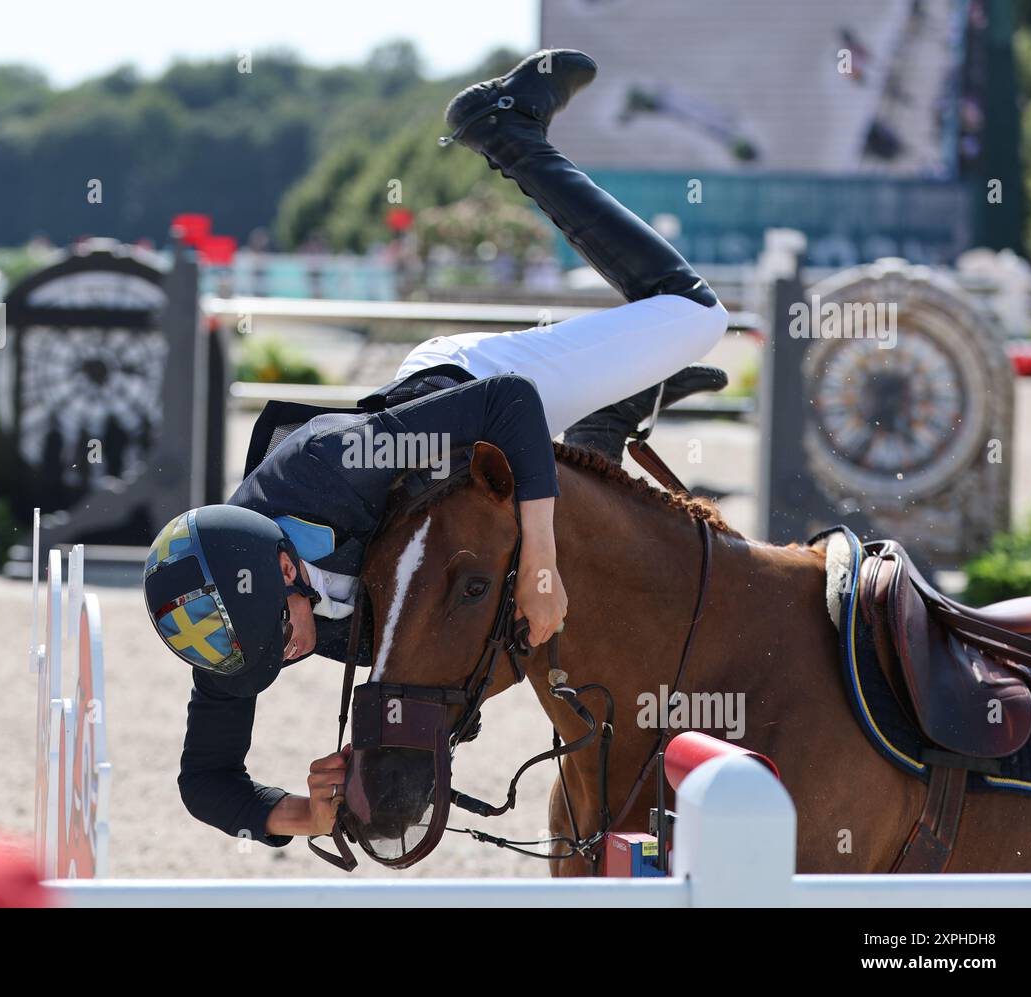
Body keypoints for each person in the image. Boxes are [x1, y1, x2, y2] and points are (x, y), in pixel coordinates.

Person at [144, 50, 729, 849]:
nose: (277, 659)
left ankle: (507, 131)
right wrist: (303, 812)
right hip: (431, 470)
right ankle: (606, 419)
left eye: (278, 636)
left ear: (285, 568)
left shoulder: (327, 468)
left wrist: (544, 564)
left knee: (694, 314)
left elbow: (510, 405)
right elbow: (204, 779)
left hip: (475, 392)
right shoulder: (231, 621)